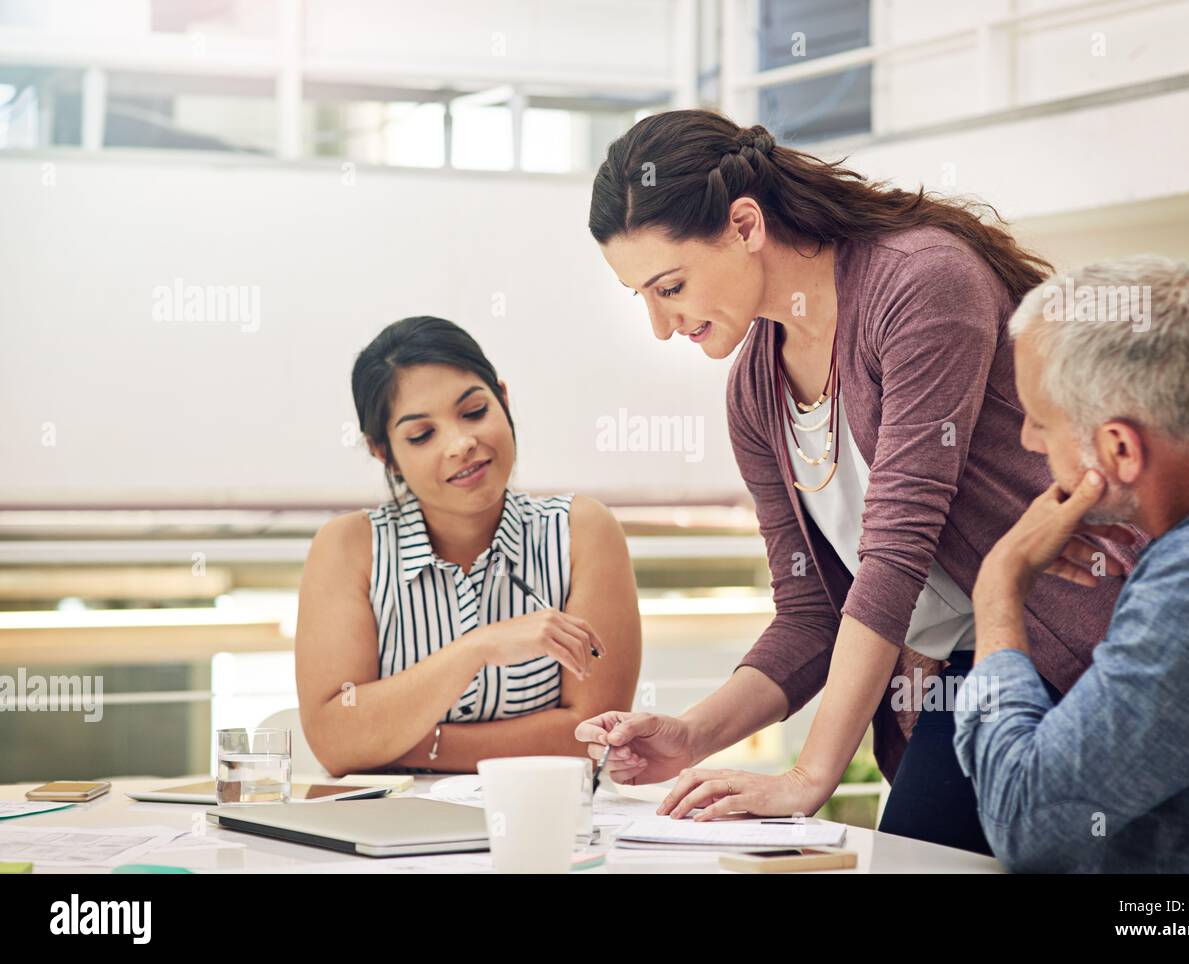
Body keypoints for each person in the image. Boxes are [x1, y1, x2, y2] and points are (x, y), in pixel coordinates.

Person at [575, 108, 1141, 854]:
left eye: (670, 286)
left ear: (745, 226)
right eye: (641, 296)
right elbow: (812, 610)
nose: (660, 324)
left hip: (1079, 650)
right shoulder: (754, 390)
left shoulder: (920, 283)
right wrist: (693, 734)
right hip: (957, 673)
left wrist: (811, 773)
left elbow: (897, 553)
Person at [953, 255, 1189, 872]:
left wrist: (1000, 590)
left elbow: (1025, 817)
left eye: (1040, 419)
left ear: (1117, 447)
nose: (1030, 441)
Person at [296, 316, 641, 776]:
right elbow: (335, 740)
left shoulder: (581, 531)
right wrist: (477, 648)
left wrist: (405, 744)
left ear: (502, 398)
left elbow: (592, 737)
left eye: (475, 411)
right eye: (421, 435)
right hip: (389, 830)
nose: (461, 444)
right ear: (384, 453)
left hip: (543, 820)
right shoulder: (350, 548)